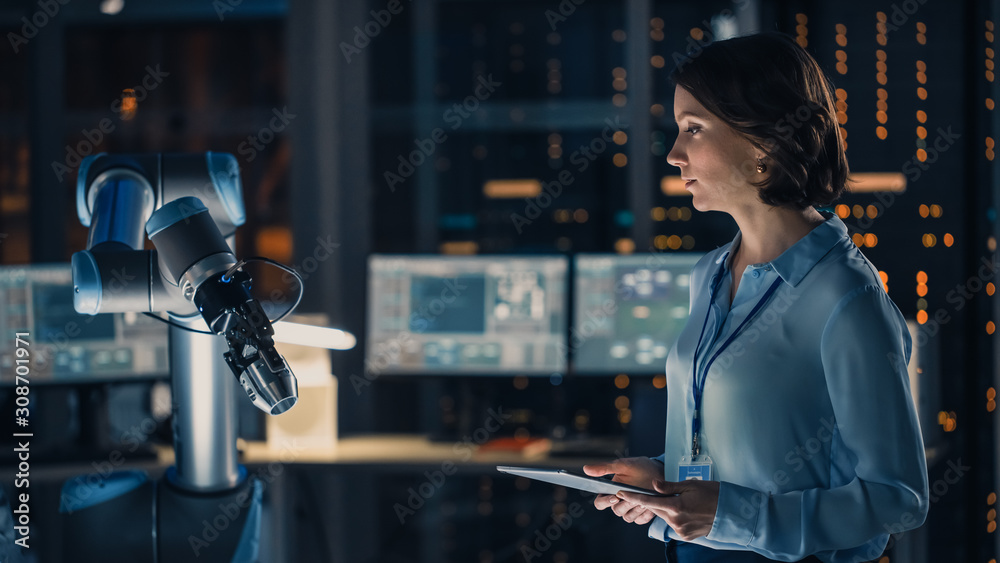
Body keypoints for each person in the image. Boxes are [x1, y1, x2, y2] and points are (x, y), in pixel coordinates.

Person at [582, 32, 929, 563]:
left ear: (764, 142)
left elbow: (898, 500)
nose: (674, 154)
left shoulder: (846, 297)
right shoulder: (710, 274)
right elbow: (751, 454)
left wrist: (731, 514)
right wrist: (665, 480)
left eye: (694, 129)